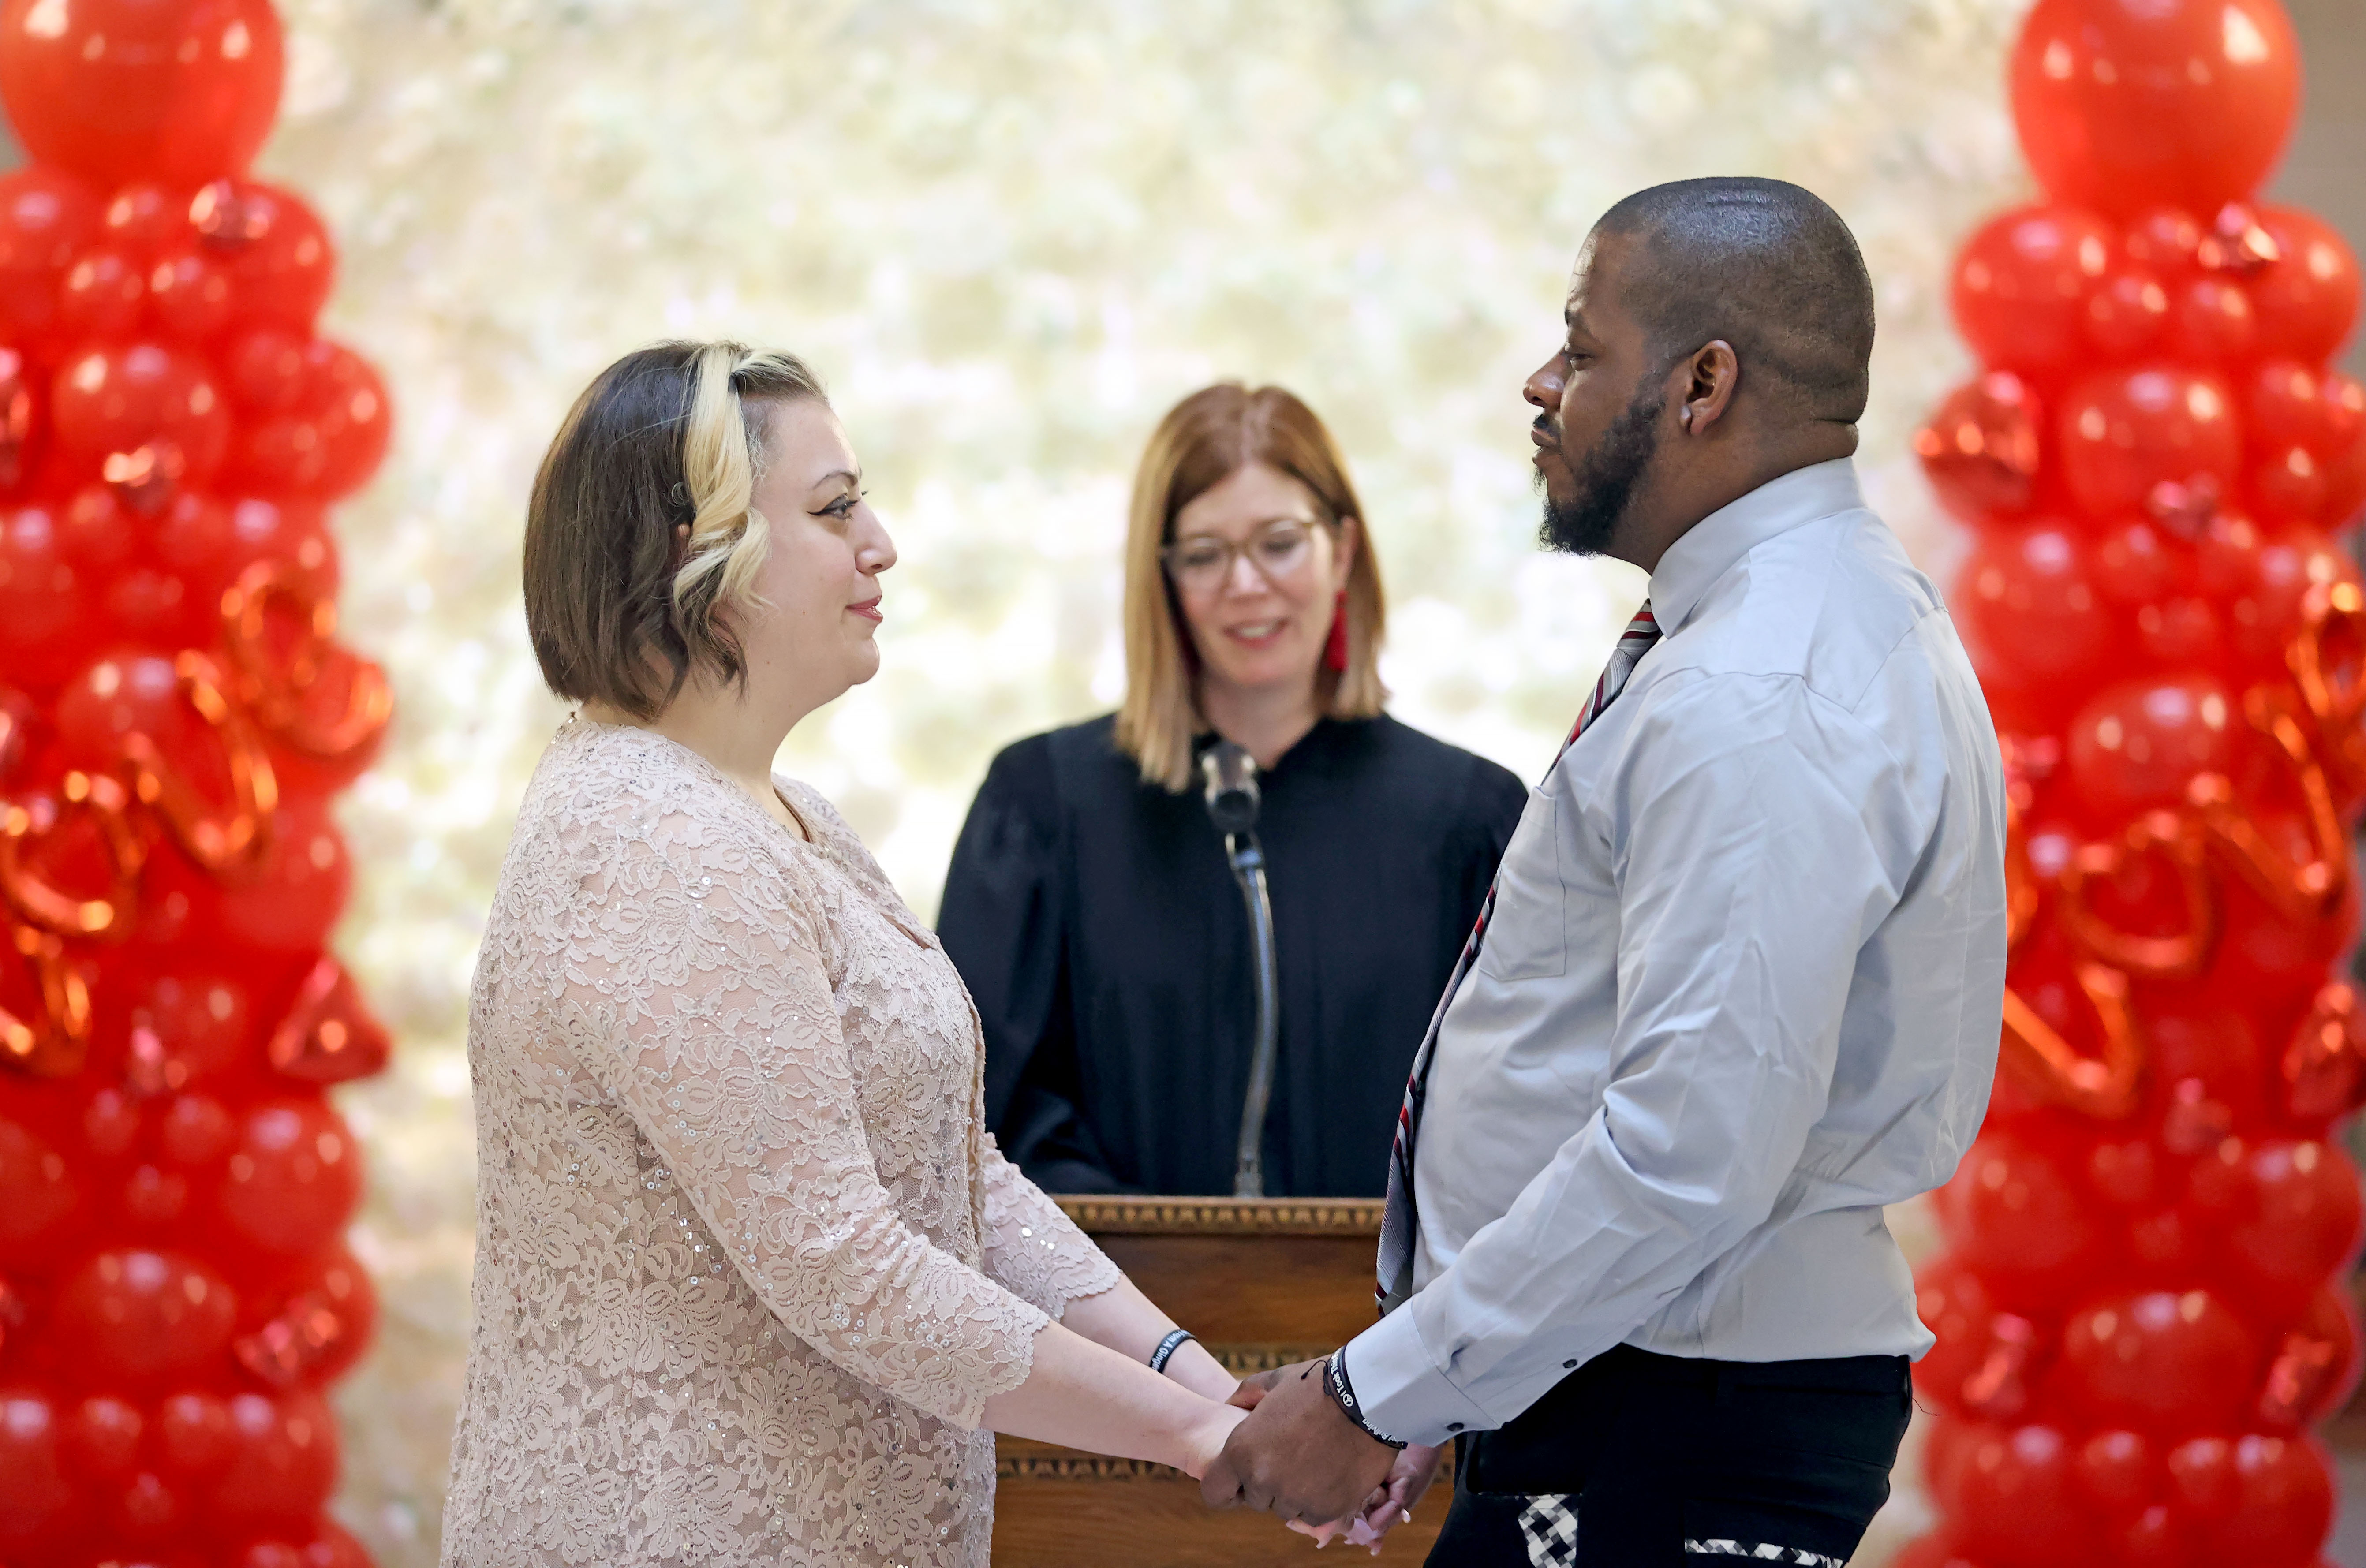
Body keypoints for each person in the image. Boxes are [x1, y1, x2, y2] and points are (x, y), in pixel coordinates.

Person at [1204, 178, 2010, 1566]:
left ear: (1703, 382)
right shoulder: (1791, 621)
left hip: (1671, 1422)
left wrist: (1370, 1391)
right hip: (1640, 1399)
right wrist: (1452, 1391)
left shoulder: (1760, 686)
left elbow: (1683, 1158)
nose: (1539, 382)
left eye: (1579, 347)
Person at [440, 341, 1248, 1568]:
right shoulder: (657, 839)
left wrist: (1191, 1373)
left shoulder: (788, 814)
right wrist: (1194, 1437)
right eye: (832, 509)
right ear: (692, 555)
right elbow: (845, 1265)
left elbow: (957, 1180)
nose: (880, 542)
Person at [938, 383, 1526, 1197]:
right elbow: (980, 1111)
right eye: (1205, 555)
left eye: (1278, 543)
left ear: (1342, 552)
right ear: (1164, 580)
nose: (1245, 585)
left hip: (1394, 1311)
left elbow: (1516, 1109)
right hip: (1109, 1309)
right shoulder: (1042, 805)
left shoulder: (1469, 817)